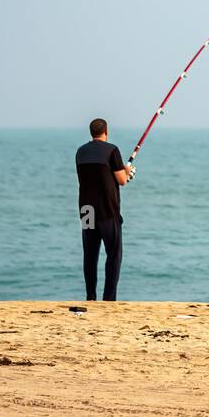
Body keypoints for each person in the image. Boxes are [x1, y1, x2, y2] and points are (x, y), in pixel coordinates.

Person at [76, 118, 135, 300]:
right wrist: (127, 169)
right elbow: (122, 180)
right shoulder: (112, 150)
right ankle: (109, 298)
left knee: (90, 255)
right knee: (113, 255)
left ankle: (90, 296)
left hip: (86, 210)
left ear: (91, 132)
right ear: (106, 131)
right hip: (107, 210)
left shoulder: (80, 152)